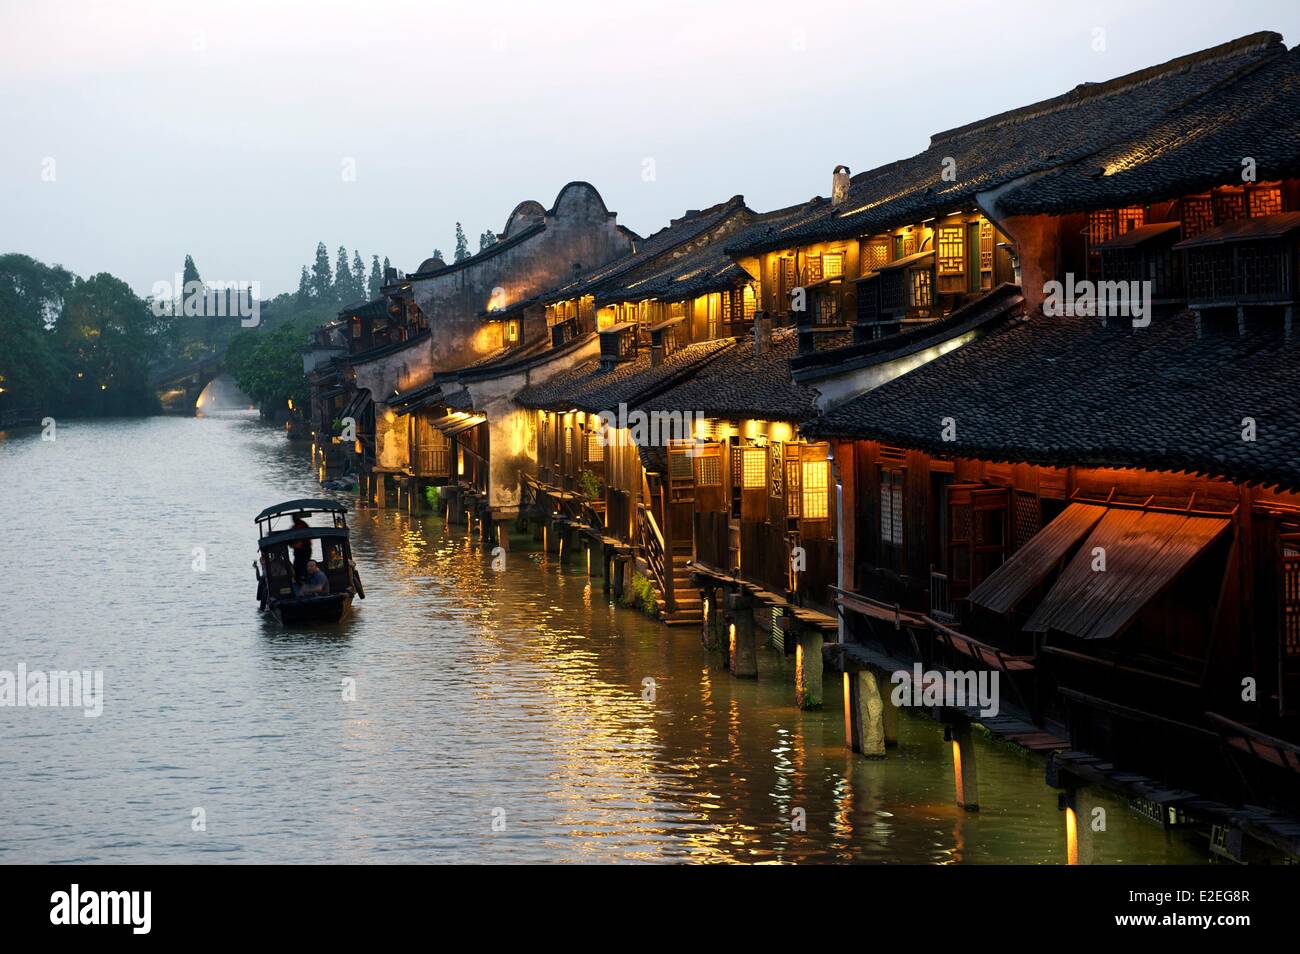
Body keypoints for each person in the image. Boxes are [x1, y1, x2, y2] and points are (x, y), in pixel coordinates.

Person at [290, 513, 311, 581]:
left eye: (294, 518)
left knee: (302, 565)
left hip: (304, 549)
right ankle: (299, 578)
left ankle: (303, 578)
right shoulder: (296, 526)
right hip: (299, 550)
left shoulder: (301, 525)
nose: (293, 520)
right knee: (297, 565)